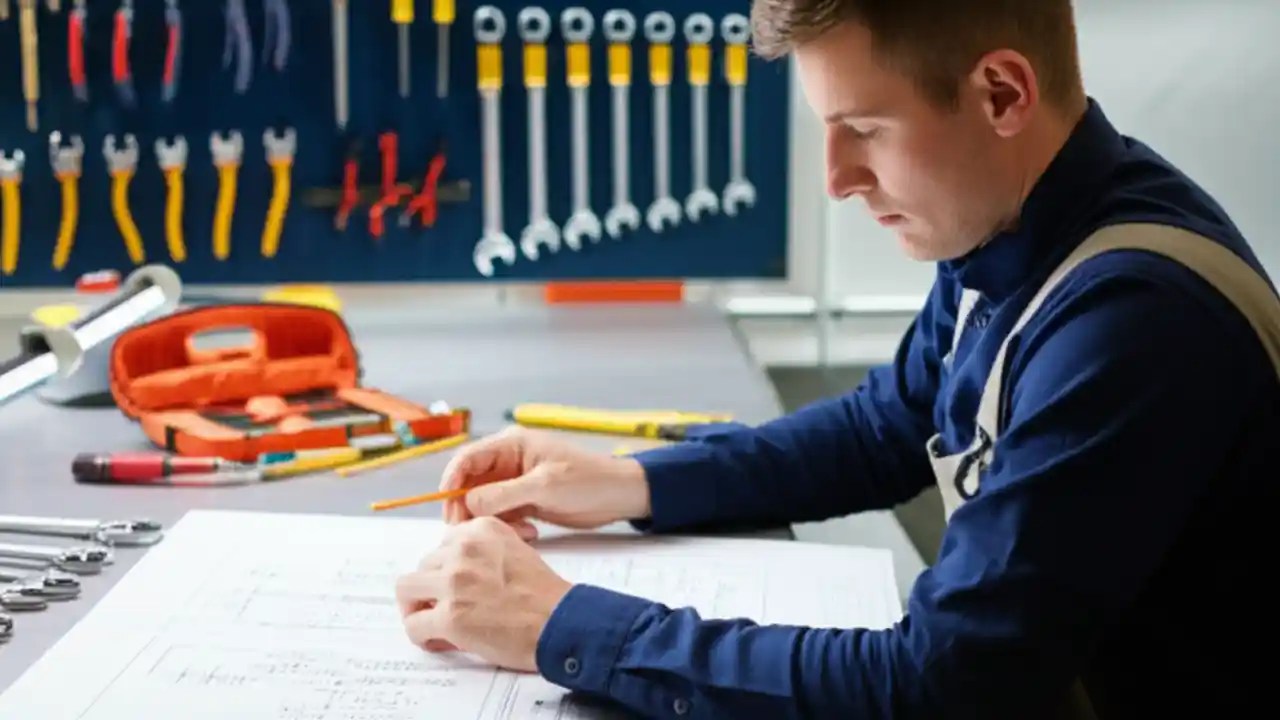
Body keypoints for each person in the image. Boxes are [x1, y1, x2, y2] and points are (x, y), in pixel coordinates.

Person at [394, 1, 1279, 717]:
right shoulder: (1016, 224)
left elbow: (941, 684)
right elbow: (884, 427)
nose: (835, 178)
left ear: (1003, 93)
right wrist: (631, 481)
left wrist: (561, 624)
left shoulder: (1129, 323)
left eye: (864, 127)